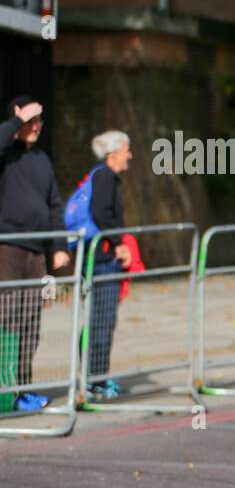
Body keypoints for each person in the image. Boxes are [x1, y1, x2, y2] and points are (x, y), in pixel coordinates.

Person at [0, 97, 70, 412]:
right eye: (30, 120)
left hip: (38, 254)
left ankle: (23, 389)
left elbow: (54, 204)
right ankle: (5, 388)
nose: (36, 126)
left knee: (30, 321)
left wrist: (58, 247)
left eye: (39, 120)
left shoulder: (42, 160)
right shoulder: (6, 154)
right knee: (6, 319)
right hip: (8, 250)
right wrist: (16, 122)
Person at [83, 131, 135, 401]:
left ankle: (97, 377)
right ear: (113, 152)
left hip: (104, 259)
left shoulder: (105, 177)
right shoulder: (104, 176)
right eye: (127, 149)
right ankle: (93, 381)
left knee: (103, 321)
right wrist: (119, 243)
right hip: (103, 260)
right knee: (102, 321)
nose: (130, 155)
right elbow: (100, 213)